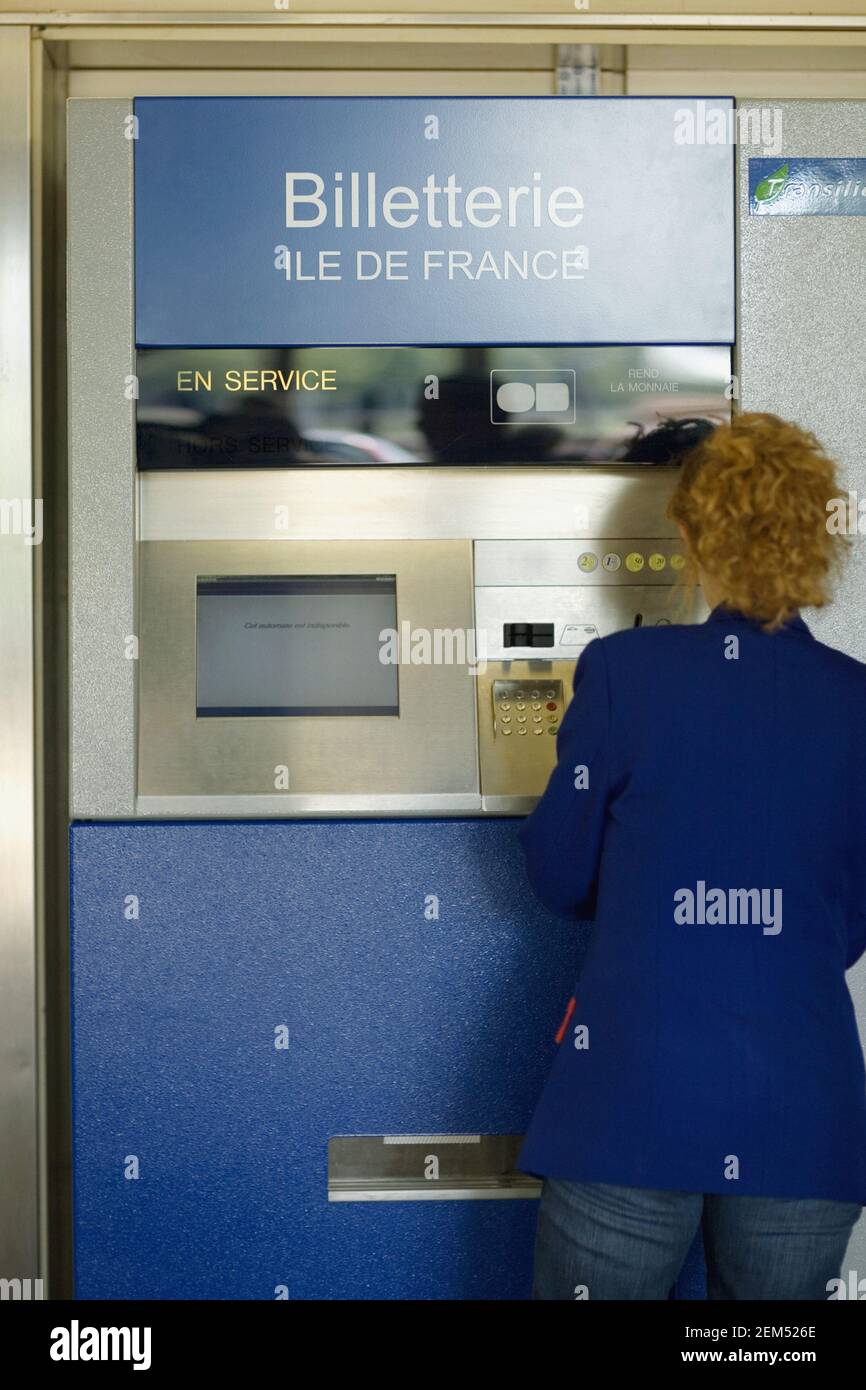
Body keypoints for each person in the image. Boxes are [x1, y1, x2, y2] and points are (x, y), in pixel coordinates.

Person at [517, 412, 866, 1300]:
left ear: (690, 533)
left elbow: (558, 872)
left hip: (633, 1091)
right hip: (802, 1107)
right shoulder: (856, 701)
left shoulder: (626, 672)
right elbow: (846, 918)